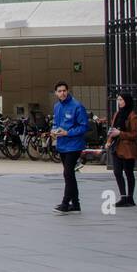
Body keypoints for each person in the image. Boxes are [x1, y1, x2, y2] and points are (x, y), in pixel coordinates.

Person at [51, 81, 89, 214]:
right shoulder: (57, 106)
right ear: (56, 93)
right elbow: (55, 122)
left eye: (64, 90)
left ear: (68, 91)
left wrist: (68, 132)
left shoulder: (77, 106)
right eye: (59, 91)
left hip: (74, 145)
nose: (62, 93)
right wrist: (54, 131)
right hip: (62, 144)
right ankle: (76, 203)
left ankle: (65, 202)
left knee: (67, 173)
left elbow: (84, 126)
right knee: (70, 175)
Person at [107, 92, 137, 208]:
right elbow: (113, 129)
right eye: (118, 100)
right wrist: (109, 141)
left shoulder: (133, 116)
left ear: (127, 101)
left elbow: (135, 135)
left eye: (121, 100)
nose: (119, 102)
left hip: (127, 149)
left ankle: (130, 197)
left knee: (128, 172)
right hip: (116, 147)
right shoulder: (117, 114)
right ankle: (123, 196)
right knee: (117, 172)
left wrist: (120, 133)